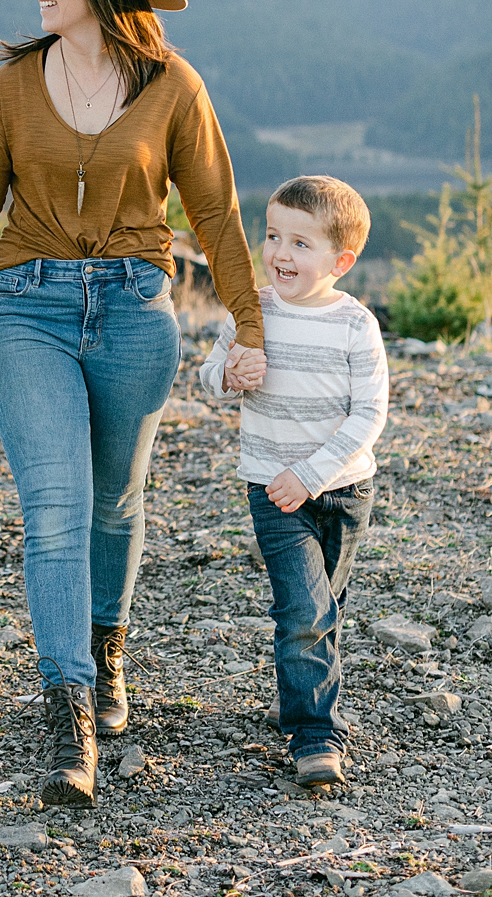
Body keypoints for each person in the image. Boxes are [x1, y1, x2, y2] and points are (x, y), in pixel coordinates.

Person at [0, 0, 266, 807]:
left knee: (115, 500)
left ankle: (108, 649)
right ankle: (66, 703)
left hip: (136, 311)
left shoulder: (173, 87)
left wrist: (252, 328)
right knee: (58, 503)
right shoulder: (15, 83)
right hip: (27, 310)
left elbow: (218, 213)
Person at [199, 175, 388, 788]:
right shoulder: (252, 310)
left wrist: (311, 475)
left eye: (301, 244)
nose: (281, 252)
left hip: (344, 488)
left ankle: (300, 689)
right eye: (274, 236)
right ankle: (314, 736)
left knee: (325, 607)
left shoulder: (356, 324)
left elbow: (370, 414)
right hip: (272, 490)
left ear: (341, 260)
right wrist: (230, 371)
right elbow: (205, 373)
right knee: (304, 610)